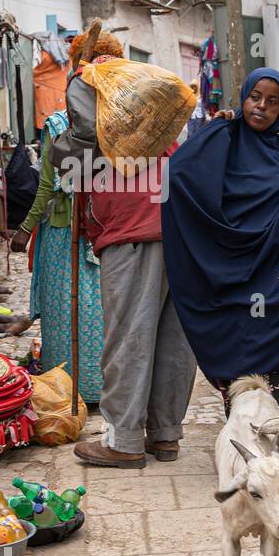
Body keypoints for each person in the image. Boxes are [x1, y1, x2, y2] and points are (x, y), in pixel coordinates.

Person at [162, 68, 279, 414]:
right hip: (236, 275)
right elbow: (179, 174)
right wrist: (213, 132)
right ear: (243, 98)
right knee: (243, 349)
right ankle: (250, 436)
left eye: (272, 102)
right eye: (255, 97)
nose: (261, 107)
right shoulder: (224, 139)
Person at [70, 32, 197, 469]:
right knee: (171, 336)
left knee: (129, 335)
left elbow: (80, 149)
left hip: (127, 225)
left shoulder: (86, 83)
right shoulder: (143, 94)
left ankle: (124, 441)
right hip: (174, 222)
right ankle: (164, 436)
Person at [9, 108, 106, 402]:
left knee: (64, 308)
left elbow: (46, 188)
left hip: (64, 233)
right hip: (101, 226)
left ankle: (64, 386)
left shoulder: (57, 124)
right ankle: (99, 387)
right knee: (96, 307)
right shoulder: (113, 119)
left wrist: (25, 229)